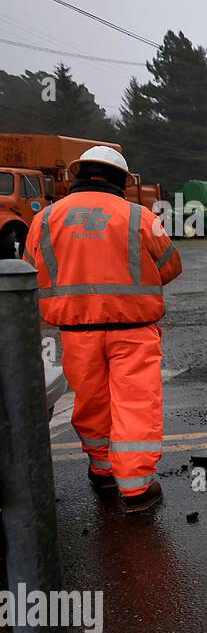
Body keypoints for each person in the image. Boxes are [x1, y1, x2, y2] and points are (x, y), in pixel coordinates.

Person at [22, 146, 182, 512]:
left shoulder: (44, 219)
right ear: (121, 181)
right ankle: (137, 487)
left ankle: (102, 468)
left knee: (91, 402)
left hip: (77, 331)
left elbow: (25, 273)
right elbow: (171, 265)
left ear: (79, 175)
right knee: (135, 403)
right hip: (133, 328)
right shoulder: (140, 217)